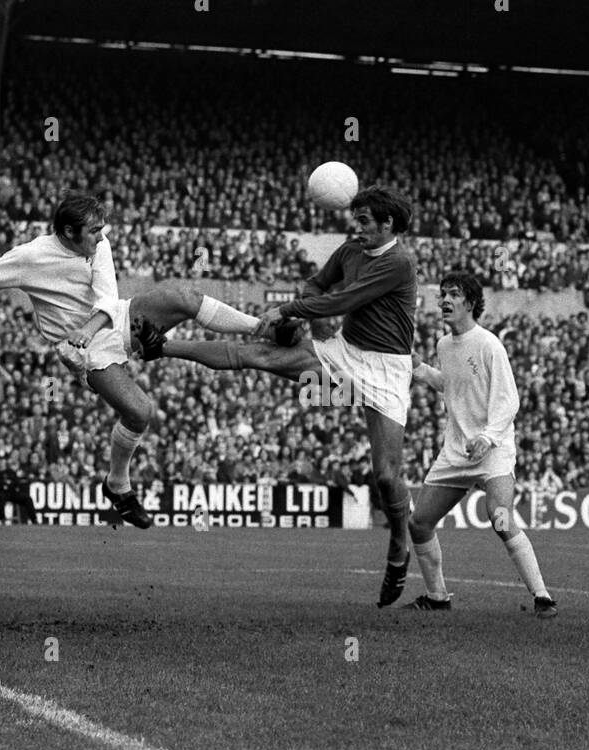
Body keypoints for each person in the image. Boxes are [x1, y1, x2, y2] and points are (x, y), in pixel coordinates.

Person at [143, 186, 418, 605]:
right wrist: (299, 309)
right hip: (343, 357)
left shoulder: (399, 262)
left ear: (388, 225)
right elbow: (319, 284)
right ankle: (160, 346)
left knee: (385, 476)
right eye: (355, 220)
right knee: (260, 355)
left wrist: (289, 311)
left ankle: (399, 546)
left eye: (364, 223)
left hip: (387, 374)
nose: (356, 228)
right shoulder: (349, 251)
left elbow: (344, 298)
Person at [0, 192, 269, 530]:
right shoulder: (30, 257)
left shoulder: (98, 245)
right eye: (94, 231)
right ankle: (118, 485)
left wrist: (90, 329)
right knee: (140, 411)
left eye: (102, 229)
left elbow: (108, 297)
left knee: (184, 298)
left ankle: (263, 326)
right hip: (85, 349)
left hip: (113, 320)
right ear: (68, 231)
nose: (102, 237)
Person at [407, 272, 556, 617]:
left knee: (500, 518)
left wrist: (487, 437)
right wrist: (423, 371)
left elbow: (509, 400)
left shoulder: (489, 344)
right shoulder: (445, 345)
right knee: (419, 522)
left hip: (493, 448)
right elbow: (453, 385)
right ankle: (437, 596)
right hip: (458, 448)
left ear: (470, 304)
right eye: (442, 294)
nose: (444, 300)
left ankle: (542, 596)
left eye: (453, 294)